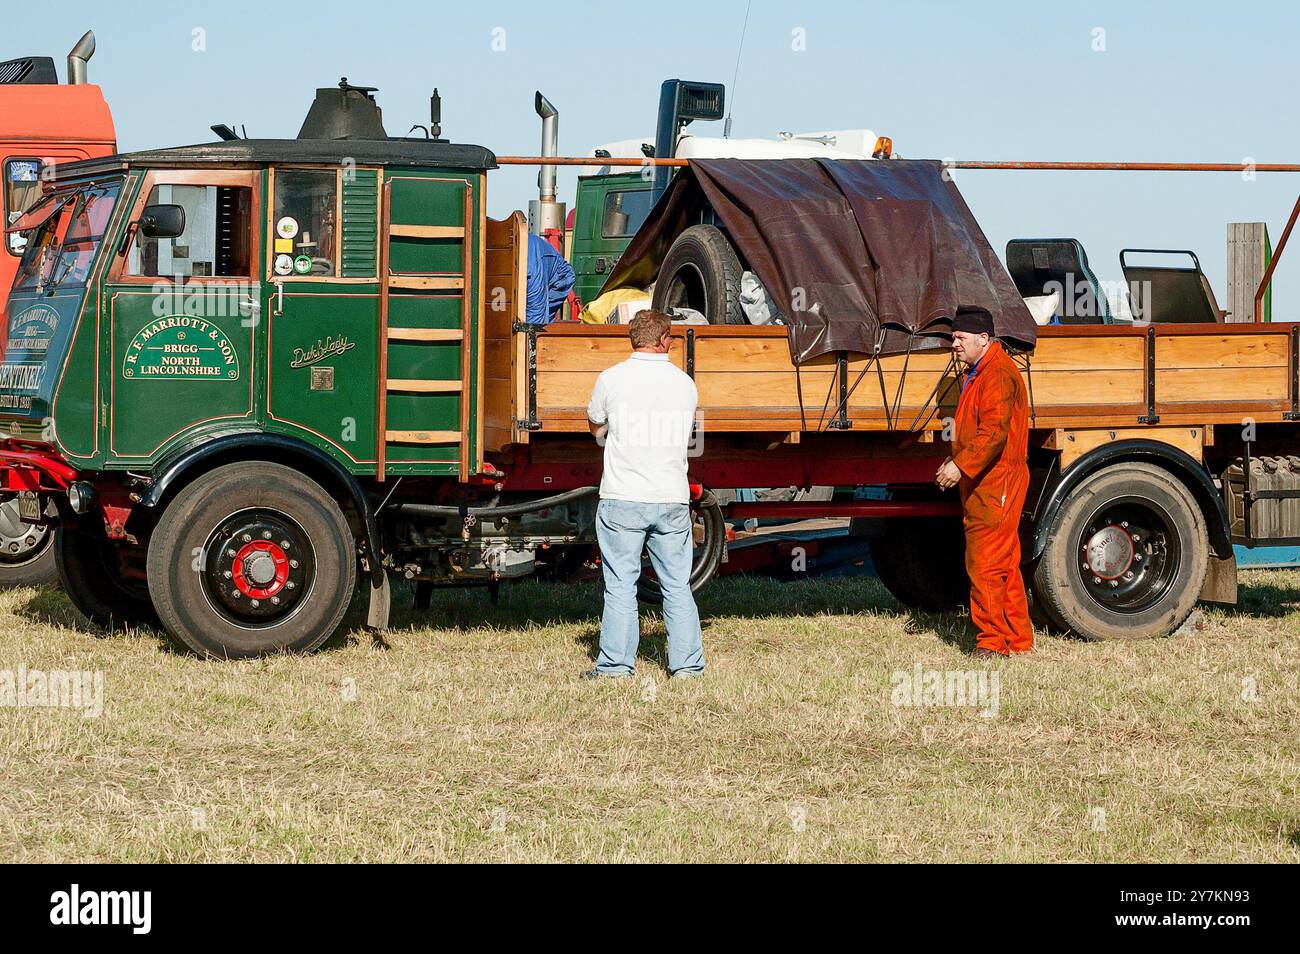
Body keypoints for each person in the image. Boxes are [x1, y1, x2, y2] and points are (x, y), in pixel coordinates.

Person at [584, 310, 705, 679]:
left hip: (623, 496)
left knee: (620, 584)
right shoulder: (685, 384)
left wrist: (609, 434)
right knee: (677, 586)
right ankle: (686, 668)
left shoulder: (611, 379)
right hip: (671, 496)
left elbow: (595, 425)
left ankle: (617, 667)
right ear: (665, 340)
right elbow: (691, 439)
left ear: (634, 339)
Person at [934, 307, 1033, 659]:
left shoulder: (997, 373)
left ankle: (992, 643)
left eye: (960, 338)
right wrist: (959, 458)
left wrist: (960, 465)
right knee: (1003, 562)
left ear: (983, 338)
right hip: (988, 479)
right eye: (953, 338)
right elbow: (979, 430)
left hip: (997, 480)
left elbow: (994, 432)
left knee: (985, 562)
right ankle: (1018, 641)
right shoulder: (982, 370)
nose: (953, 345)